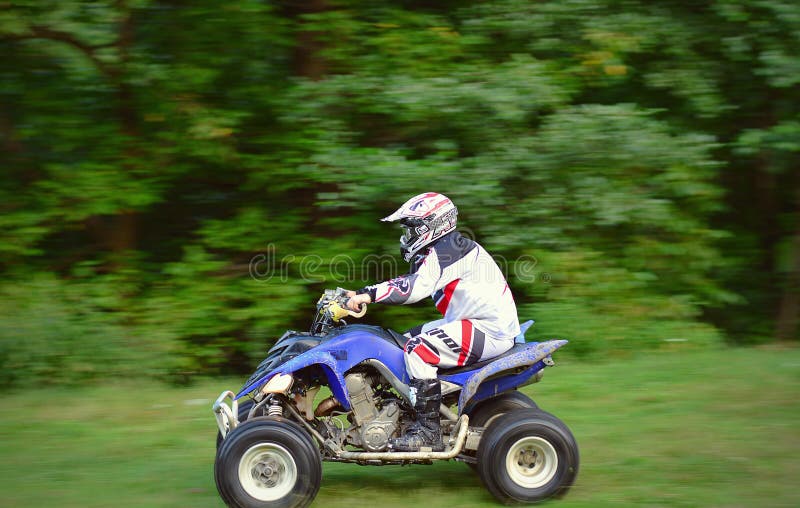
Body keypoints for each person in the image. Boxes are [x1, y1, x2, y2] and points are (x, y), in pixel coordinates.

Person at [345, 192, 520, 451]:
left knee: (418, 350)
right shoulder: (442, 249)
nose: (406, 237)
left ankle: (429, 431)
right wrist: (361, 292)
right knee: (398, 342)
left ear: (433, 225)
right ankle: (406, 408)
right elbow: (407, 282)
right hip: (475, 322)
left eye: (411, 229)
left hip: (489, 329)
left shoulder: (451, 249)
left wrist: (367, 294)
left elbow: (412, 289)